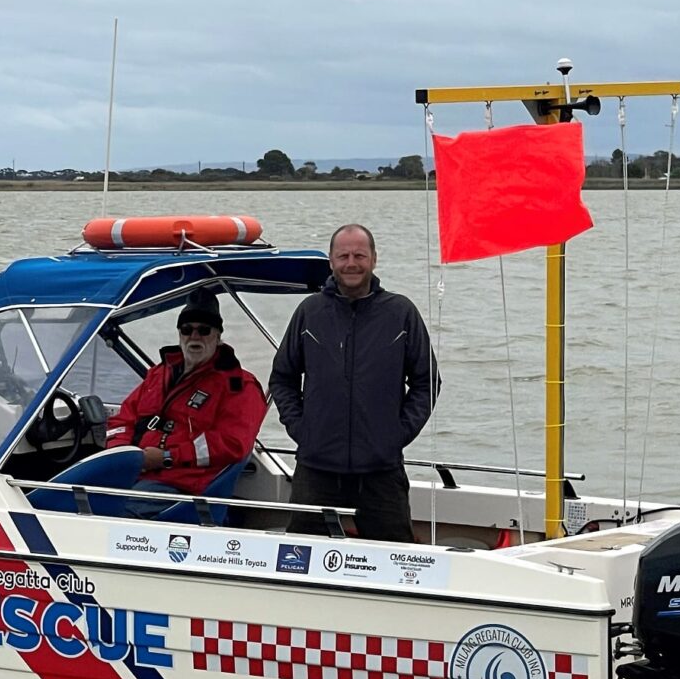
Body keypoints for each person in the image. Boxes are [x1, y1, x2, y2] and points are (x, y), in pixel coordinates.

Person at [269, 224, 438, 542]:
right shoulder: (310, 311)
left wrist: (397, 434)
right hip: (316, 469)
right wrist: (302, 430)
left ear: (374, 259)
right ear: (331, 261)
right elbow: (282, 378)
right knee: (301, 559)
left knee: (396, 561)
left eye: (359, 255)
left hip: (381, 471)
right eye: (343, 255)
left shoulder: (401, 313)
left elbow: (427, 382)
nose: (351, 263)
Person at [106, 294, 268, 516]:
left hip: (182, 485)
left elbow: (232, 443)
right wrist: (120, 454)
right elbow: (122, 419)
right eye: (187, 329)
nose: (194, 336)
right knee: (73, 499)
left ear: (218, 336)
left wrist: (166, 458)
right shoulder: (159, 374)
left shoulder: (240, 386)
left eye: (204, 330)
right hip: (135, 473)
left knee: (109, 513)